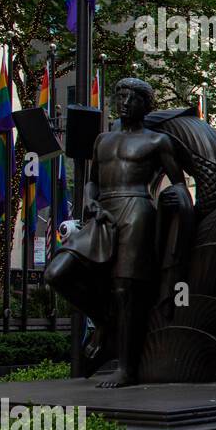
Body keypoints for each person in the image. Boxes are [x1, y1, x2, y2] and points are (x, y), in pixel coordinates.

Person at [45, 78, 186, 387]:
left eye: (132, 97)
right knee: (57, 272)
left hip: (137, 210)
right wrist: (90, 200)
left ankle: (126, 367)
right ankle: (108, 322)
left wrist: (178, 199)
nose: (124, 101)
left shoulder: (157, 141)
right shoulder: (102, 140)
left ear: (146, 104)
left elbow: (178, 183)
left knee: (126, 289)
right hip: (102, 214)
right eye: (120, 95)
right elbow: (92, 181)